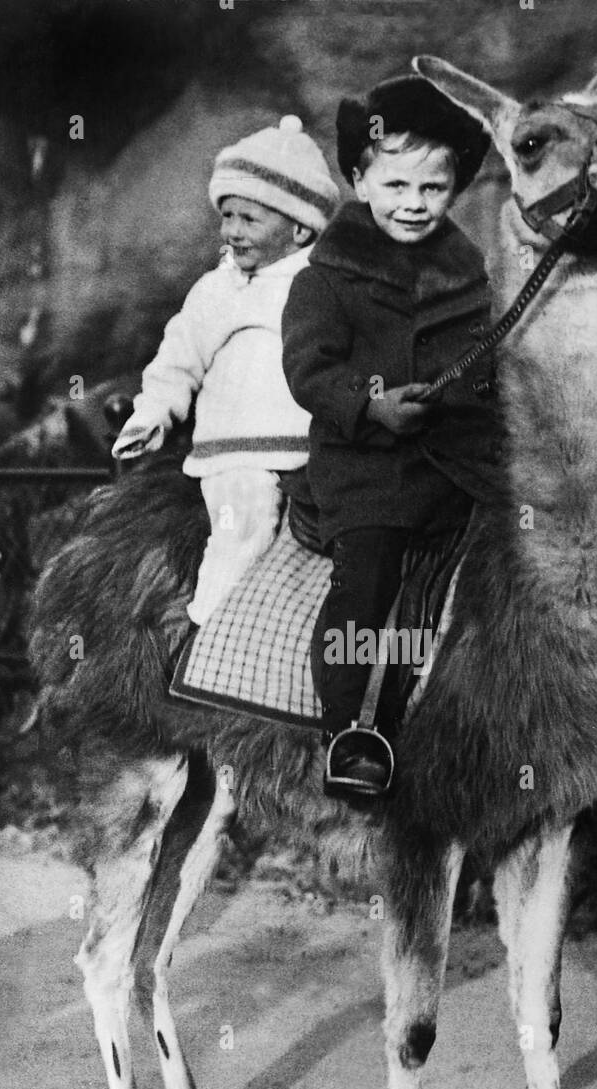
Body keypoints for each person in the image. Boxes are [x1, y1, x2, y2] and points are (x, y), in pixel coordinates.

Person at [281, 75, 505, 798]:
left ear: (455, 190)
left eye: (434, 189)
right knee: (369, 572)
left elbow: (487, 371)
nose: (414, 203)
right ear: (358, 178)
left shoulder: (469, 279)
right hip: (366, 469)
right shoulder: (325, 281)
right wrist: (371, 404)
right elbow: (309, 372)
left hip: (457, 466)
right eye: (397, 184)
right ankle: (352, 728)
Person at [113, 116, 340, 625]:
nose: (231, 231)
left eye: (248, 219)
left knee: (332, 541)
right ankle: (209, 627)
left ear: (300, 226)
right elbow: (179, 355)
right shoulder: (220, 288)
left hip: (310, 450)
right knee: (244, 526)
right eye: (227, 216)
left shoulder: (323, 285)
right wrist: (154, 414)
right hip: (236, 451)